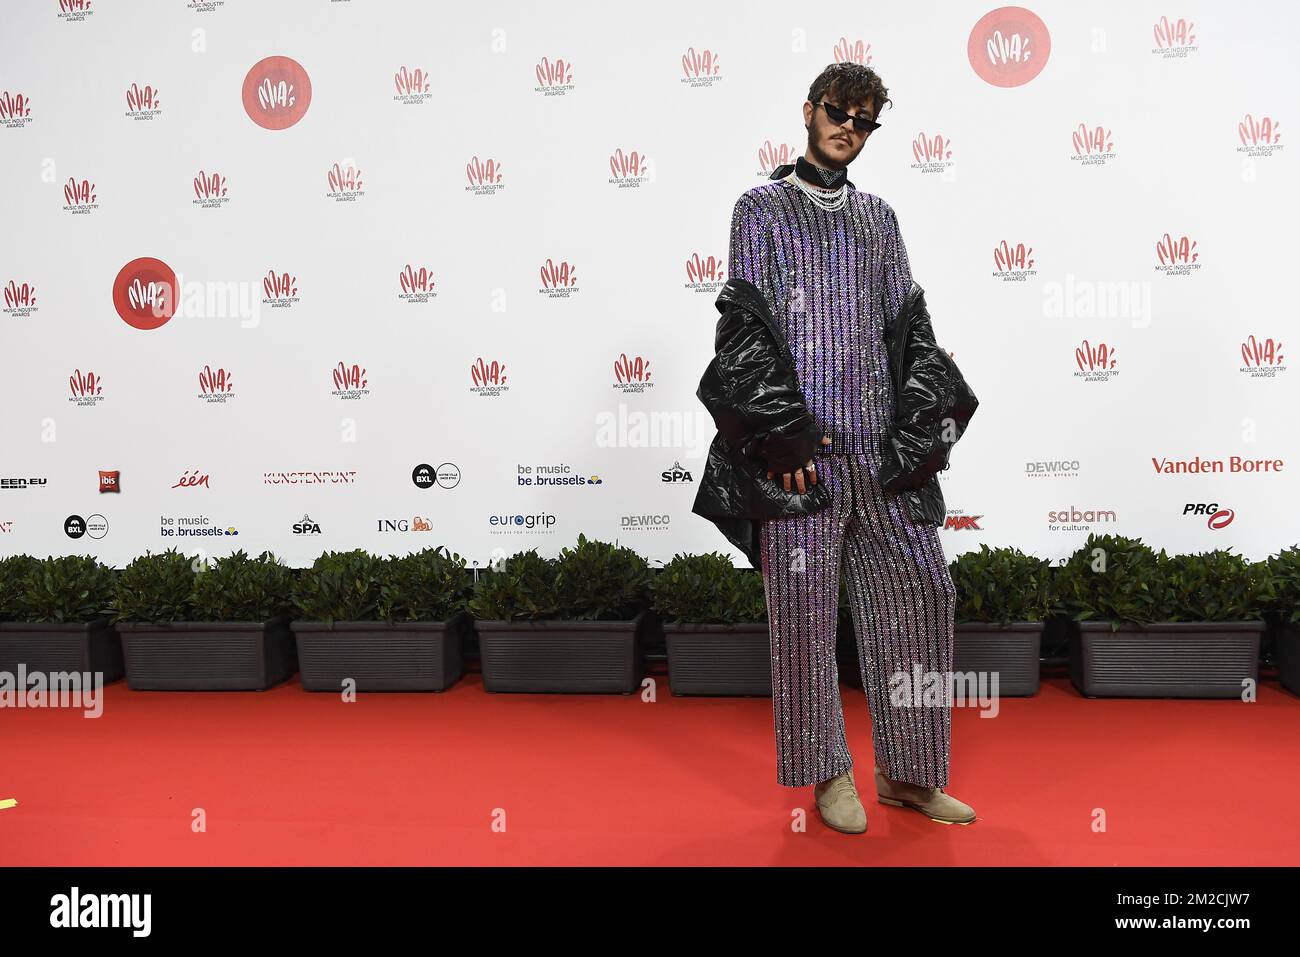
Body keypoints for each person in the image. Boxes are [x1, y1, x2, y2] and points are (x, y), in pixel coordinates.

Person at [726, 62, 976, 833]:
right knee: (802, 616)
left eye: (866, 121)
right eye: (839, 113)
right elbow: (744, 331)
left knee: (921, 597)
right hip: (802, 454)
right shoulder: (759, 209)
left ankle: (908, 773)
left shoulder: (880, 220)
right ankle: (828, 772)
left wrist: (918, 435)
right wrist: (782, 437)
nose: (850, 130)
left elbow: (912, 330)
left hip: (881, 455)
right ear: (809, 110)